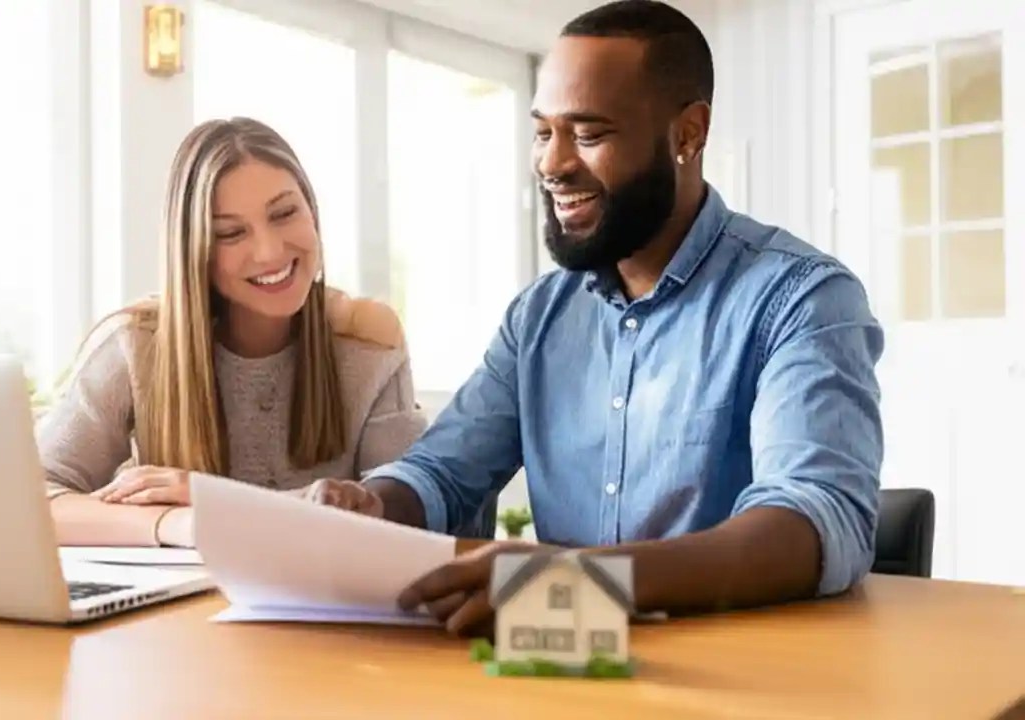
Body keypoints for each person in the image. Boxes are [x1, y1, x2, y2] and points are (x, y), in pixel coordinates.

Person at [306, 0, 884, 635]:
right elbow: (442, 471)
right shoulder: (538, 318)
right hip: (563, 663)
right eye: (543, 131)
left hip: (742, 676)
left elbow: (814, 520)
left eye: (589, 134)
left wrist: (591, 582)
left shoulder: (801, 298)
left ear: (688, 134)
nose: (553, 164)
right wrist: (371, 503)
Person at [36, 117, 427, 547]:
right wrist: (177, 523)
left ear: (311, 211)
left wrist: (216, 502)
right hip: (181, 606)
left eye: (284, 213)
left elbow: (405, 516)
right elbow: (34, 500)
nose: (269, 251)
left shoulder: (366, 340)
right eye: (231, 233)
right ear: (195, 250)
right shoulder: (138, 344)